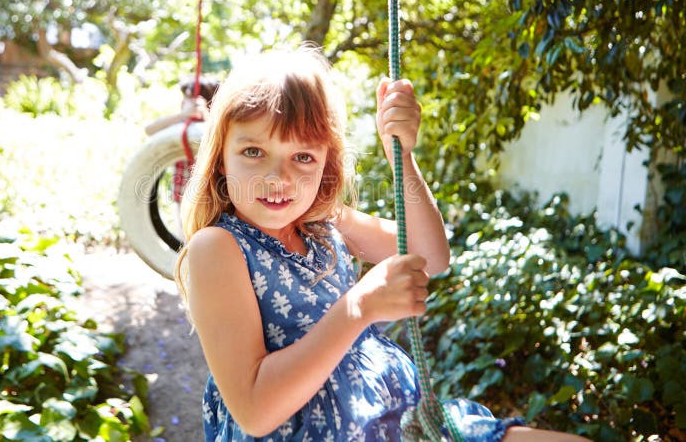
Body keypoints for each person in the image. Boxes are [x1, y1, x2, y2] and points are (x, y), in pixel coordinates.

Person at [175, 46, 589, 441]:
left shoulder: (321, 221)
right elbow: (255, 410)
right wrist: (360, 307)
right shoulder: (219, 246)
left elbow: (430, 255)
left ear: (326, 164)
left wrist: (402, 156)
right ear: (220, 159)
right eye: (253, 151)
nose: (278, 178)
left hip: (396, 420)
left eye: (303, 157)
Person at [144, 76, 218, 237]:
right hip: (182, 194)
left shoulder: (214, 125)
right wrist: (182, 116)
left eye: (188, 99)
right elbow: (149, 130)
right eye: (184, 99)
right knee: (184, 236)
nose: (184, 103)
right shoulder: (179, 127)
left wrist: (205, 114)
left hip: (209, 197)